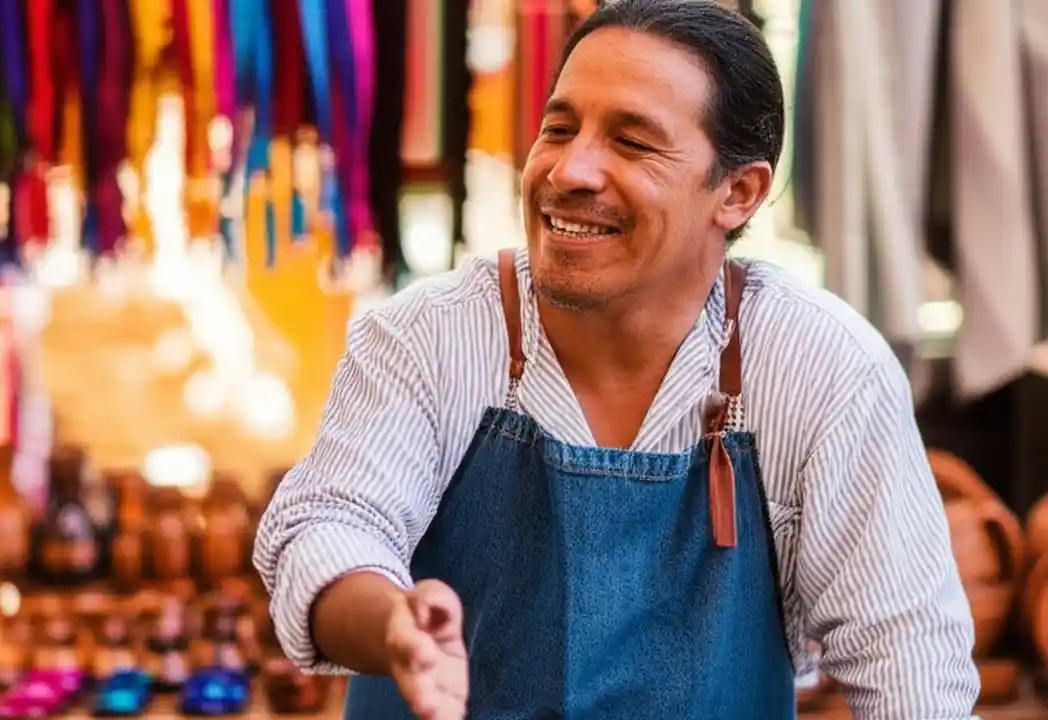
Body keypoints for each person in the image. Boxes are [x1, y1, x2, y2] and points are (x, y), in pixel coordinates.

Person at [253, 1, 979, 718]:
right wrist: (392, 624)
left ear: (738, 192)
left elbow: (908, 661)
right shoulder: (428, 337)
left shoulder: (822, 368)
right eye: (558, 129)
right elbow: (327, 528)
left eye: (632, 143)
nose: (570, 170)